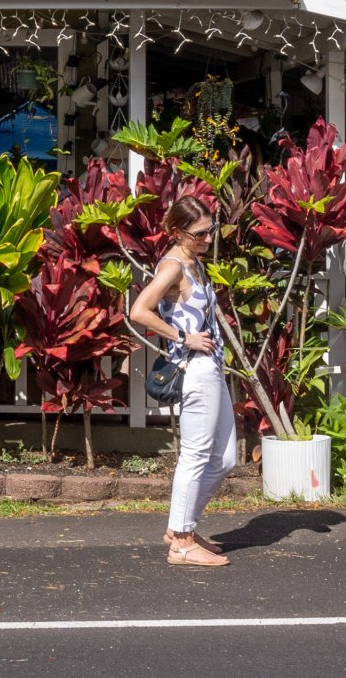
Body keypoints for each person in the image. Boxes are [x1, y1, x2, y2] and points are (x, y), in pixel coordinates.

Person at [129, 195, 237, 568]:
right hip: (195, 369)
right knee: (196, 456)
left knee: (225, 459)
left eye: (210, 231)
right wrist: (182, 336)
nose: (208, 239)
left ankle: (181, 527)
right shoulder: (173, 267)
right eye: (199, 234)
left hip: (212, 367)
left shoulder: (195, 262)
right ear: (177, 232)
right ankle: (182, 542)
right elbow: (139, 311)